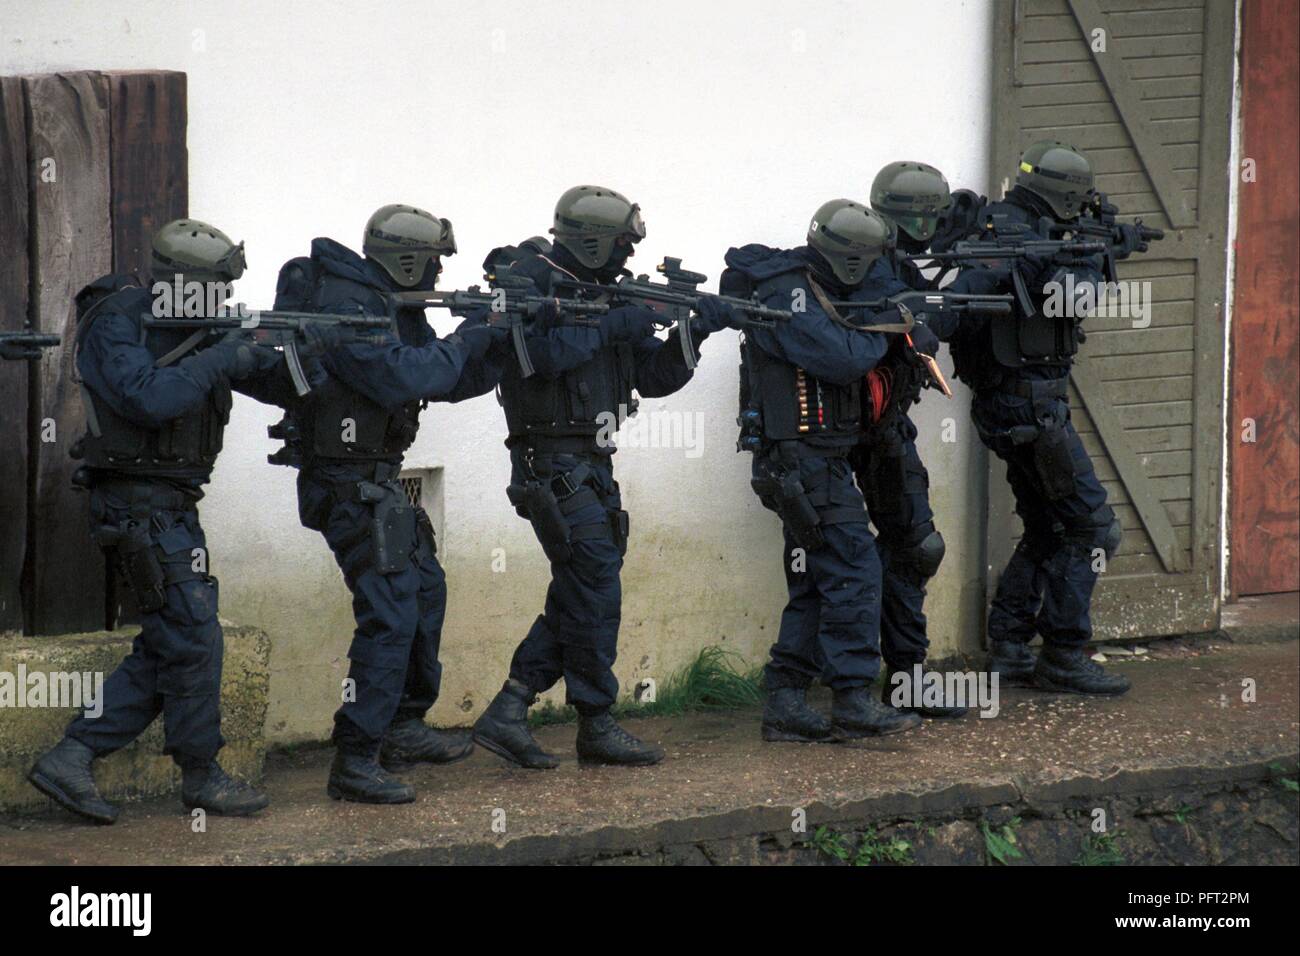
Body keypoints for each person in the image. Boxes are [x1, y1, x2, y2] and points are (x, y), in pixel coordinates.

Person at [28, 219, 288, 823]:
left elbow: (272, 384)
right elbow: (148, 396)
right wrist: (223, 354)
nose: (221, 301)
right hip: (136, 507)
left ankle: (73, 755)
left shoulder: (200, 327)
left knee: (174, 641)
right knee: (194, 634)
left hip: (171, 508)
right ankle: (201, 775)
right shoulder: (117, 322)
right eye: (214, 288)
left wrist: (289, 353)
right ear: (185, 282)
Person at [471, 185, 733, 769]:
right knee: (594, 585)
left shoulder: (611, 298)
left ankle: (511, 708)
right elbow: (537, 357)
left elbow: (655, 375)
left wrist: (696, 331)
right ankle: (595, 721)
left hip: (592, 464)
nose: (626, 257)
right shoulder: (532, 287)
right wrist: (621, 322)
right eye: (619, 245)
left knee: (582, 588)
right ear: (591, 242)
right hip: (550, 463)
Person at [271, 204, 507, 803]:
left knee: (426, 594)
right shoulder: (349, 306)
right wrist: (470, 336)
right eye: (432, 262)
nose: (435, 275)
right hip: (347, 487)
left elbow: (441, 380)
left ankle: (402, 726)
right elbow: (403, 376)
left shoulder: (386, 303)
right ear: (407, 258)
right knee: (390, 616)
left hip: (378, 485)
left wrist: (498, 346)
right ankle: (355, 757)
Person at [723, 199, 925, 743]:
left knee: (818, 579)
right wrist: (893, 325)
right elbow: (844, 357)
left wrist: (905, 313)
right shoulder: (785, 294)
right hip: (800, 463)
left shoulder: (828, 287)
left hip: (819, 459)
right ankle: (853, 701)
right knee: (856, 569)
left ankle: (785, 701)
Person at [944, 141, 1130, 695]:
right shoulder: (1009, 238)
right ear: (1069, 194)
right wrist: (1086, 263)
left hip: (1015, 404)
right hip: (1029, 407)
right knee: (1093, 528)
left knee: (1050, 525)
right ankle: (1064, 654)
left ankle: (1008, 646)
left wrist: (1098, 249)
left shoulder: (1021, 226)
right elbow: (1065, 300)